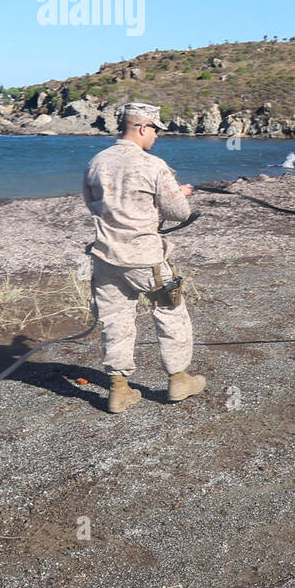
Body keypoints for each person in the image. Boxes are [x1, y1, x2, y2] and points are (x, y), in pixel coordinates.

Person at [82, 102, 206, 413]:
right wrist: (179, 194)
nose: (157, 136)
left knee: (115, 320)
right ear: (142, 128)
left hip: (106, 257)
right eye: (155, 129)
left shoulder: (97, 162)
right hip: (146, 260)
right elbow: (179, 212)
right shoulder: (153, 165)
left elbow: (93, 203)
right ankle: (179, 379)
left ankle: (119, 389)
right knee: (170, 313)